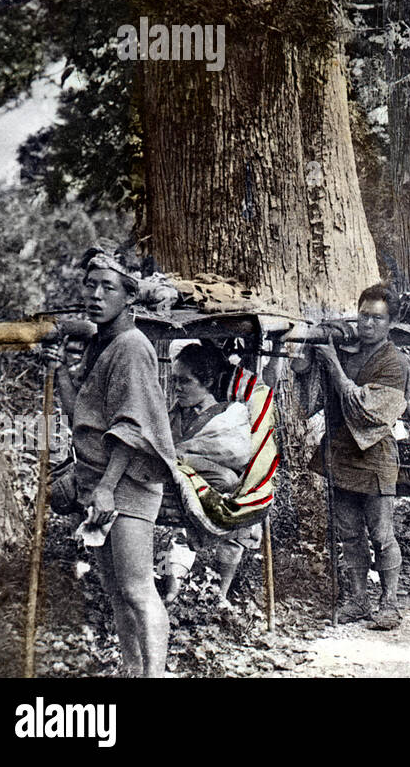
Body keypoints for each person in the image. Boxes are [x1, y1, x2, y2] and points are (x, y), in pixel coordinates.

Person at [45, 248, 175, 677]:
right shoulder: (103, 345)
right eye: (91, 285)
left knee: (138, 589)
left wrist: (106, 488)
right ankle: (134, 672)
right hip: (99, 479)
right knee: (116, 592)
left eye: (108, 287)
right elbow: (82, 417)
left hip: (127, 480)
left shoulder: (132, 347)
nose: (96, 295)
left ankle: (154, 675)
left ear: (130, 297)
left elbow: (132, 426)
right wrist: (61, 372)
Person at [297, 284, 410, 629]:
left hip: (375, 456)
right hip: (341, 452)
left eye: (377, 318)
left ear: (390, 323)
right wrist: (308, 362)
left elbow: (365, 408)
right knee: (348, 532)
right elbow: (313, 398)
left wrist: (333, 366)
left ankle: (389, 602)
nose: (369, 324)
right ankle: (358, 599)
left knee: (381, 532)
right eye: (364, 316)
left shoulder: (395, 363)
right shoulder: (346, 351)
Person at [160, 343, 260, 607]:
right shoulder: (170, 415)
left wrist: (186, 459)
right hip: (174, 492)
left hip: (215, 495)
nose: (177, 388)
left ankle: (219, 594)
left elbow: (236, 452)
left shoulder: (228, 416)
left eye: (185, 381)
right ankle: (172, 589)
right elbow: (163, 452)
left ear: (207, 381)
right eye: (175, 381)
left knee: (236, 498)